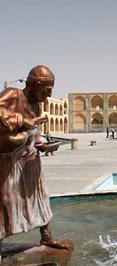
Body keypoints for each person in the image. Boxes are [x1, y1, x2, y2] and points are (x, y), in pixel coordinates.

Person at [0, 65, 68, 254]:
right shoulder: (13, 94)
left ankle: (46, 238)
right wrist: (21, 120)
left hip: (30, 161)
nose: (49, 94)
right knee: (6, 201)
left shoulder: (36, 102)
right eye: (47, 89)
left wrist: (42, 143)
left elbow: (34, 131)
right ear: (36, 84)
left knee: (40, 198)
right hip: (10, 162)